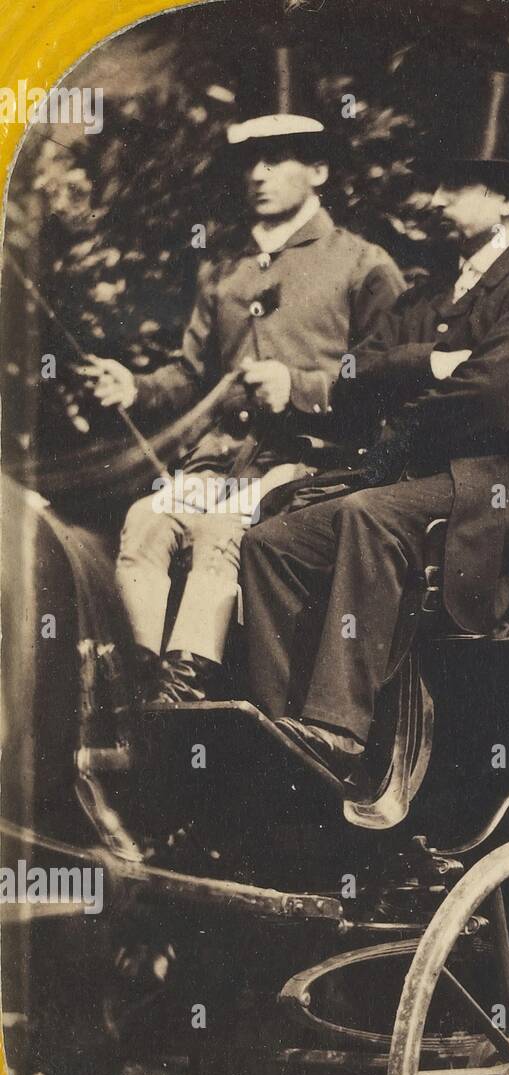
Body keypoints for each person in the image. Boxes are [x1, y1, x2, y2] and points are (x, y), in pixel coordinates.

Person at [240, 128, 509, 780]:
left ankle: (336, 728)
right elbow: (354, 376)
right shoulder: (427, 295)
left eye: (457, 186)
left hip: (487, 486)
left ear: (506, 197)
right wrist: (425, 360)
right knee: (270, 545)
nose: (437, 199)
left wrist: (406, 407)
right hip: (413, 482)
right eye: (439, 184)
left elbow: (490, 400)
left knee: (368, 514)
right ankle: (274, 729)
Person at [85, 113, 405, 702]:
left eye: (277, 158)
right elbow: (190, 375)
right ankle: (137, 688)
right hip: (220, 467)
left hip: (312, 469)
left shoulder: (363, 265)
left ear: (319, 170)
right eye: (251, 161)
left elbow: (389, 380)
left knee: (220, 534)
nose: (258, 175)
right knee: (147, 521)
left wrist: (301, 386)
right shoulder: (224, 271)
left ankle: (182, 698)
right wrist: (134, 387)